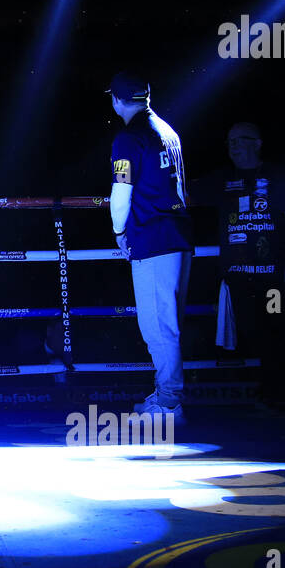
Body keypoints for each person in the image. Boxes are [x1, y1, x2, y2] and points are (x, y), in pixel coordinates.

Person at [194, 122, 285, 408]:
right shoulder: (222, 178)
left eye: (240, 140)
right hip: (238, 276)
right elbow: (181, 190)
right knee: (251, 331)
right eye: (229, 141)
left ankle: (275, 393)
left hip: (273, 275)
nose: (233, 146)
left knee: (278, 330)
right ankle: (279, 389)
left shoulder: (279, 177)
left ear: (257, 143)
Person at [107, 72, 193, 423]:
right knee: (165, 323)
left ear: (116, 99)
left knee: (158, 325)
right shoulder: (168, 131)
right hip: (179, 235)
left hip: (153, 238)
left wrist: (118, 231)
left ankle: (170, 403)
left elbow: (121, 192)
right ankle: (165, 394)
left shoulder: (129, 138)